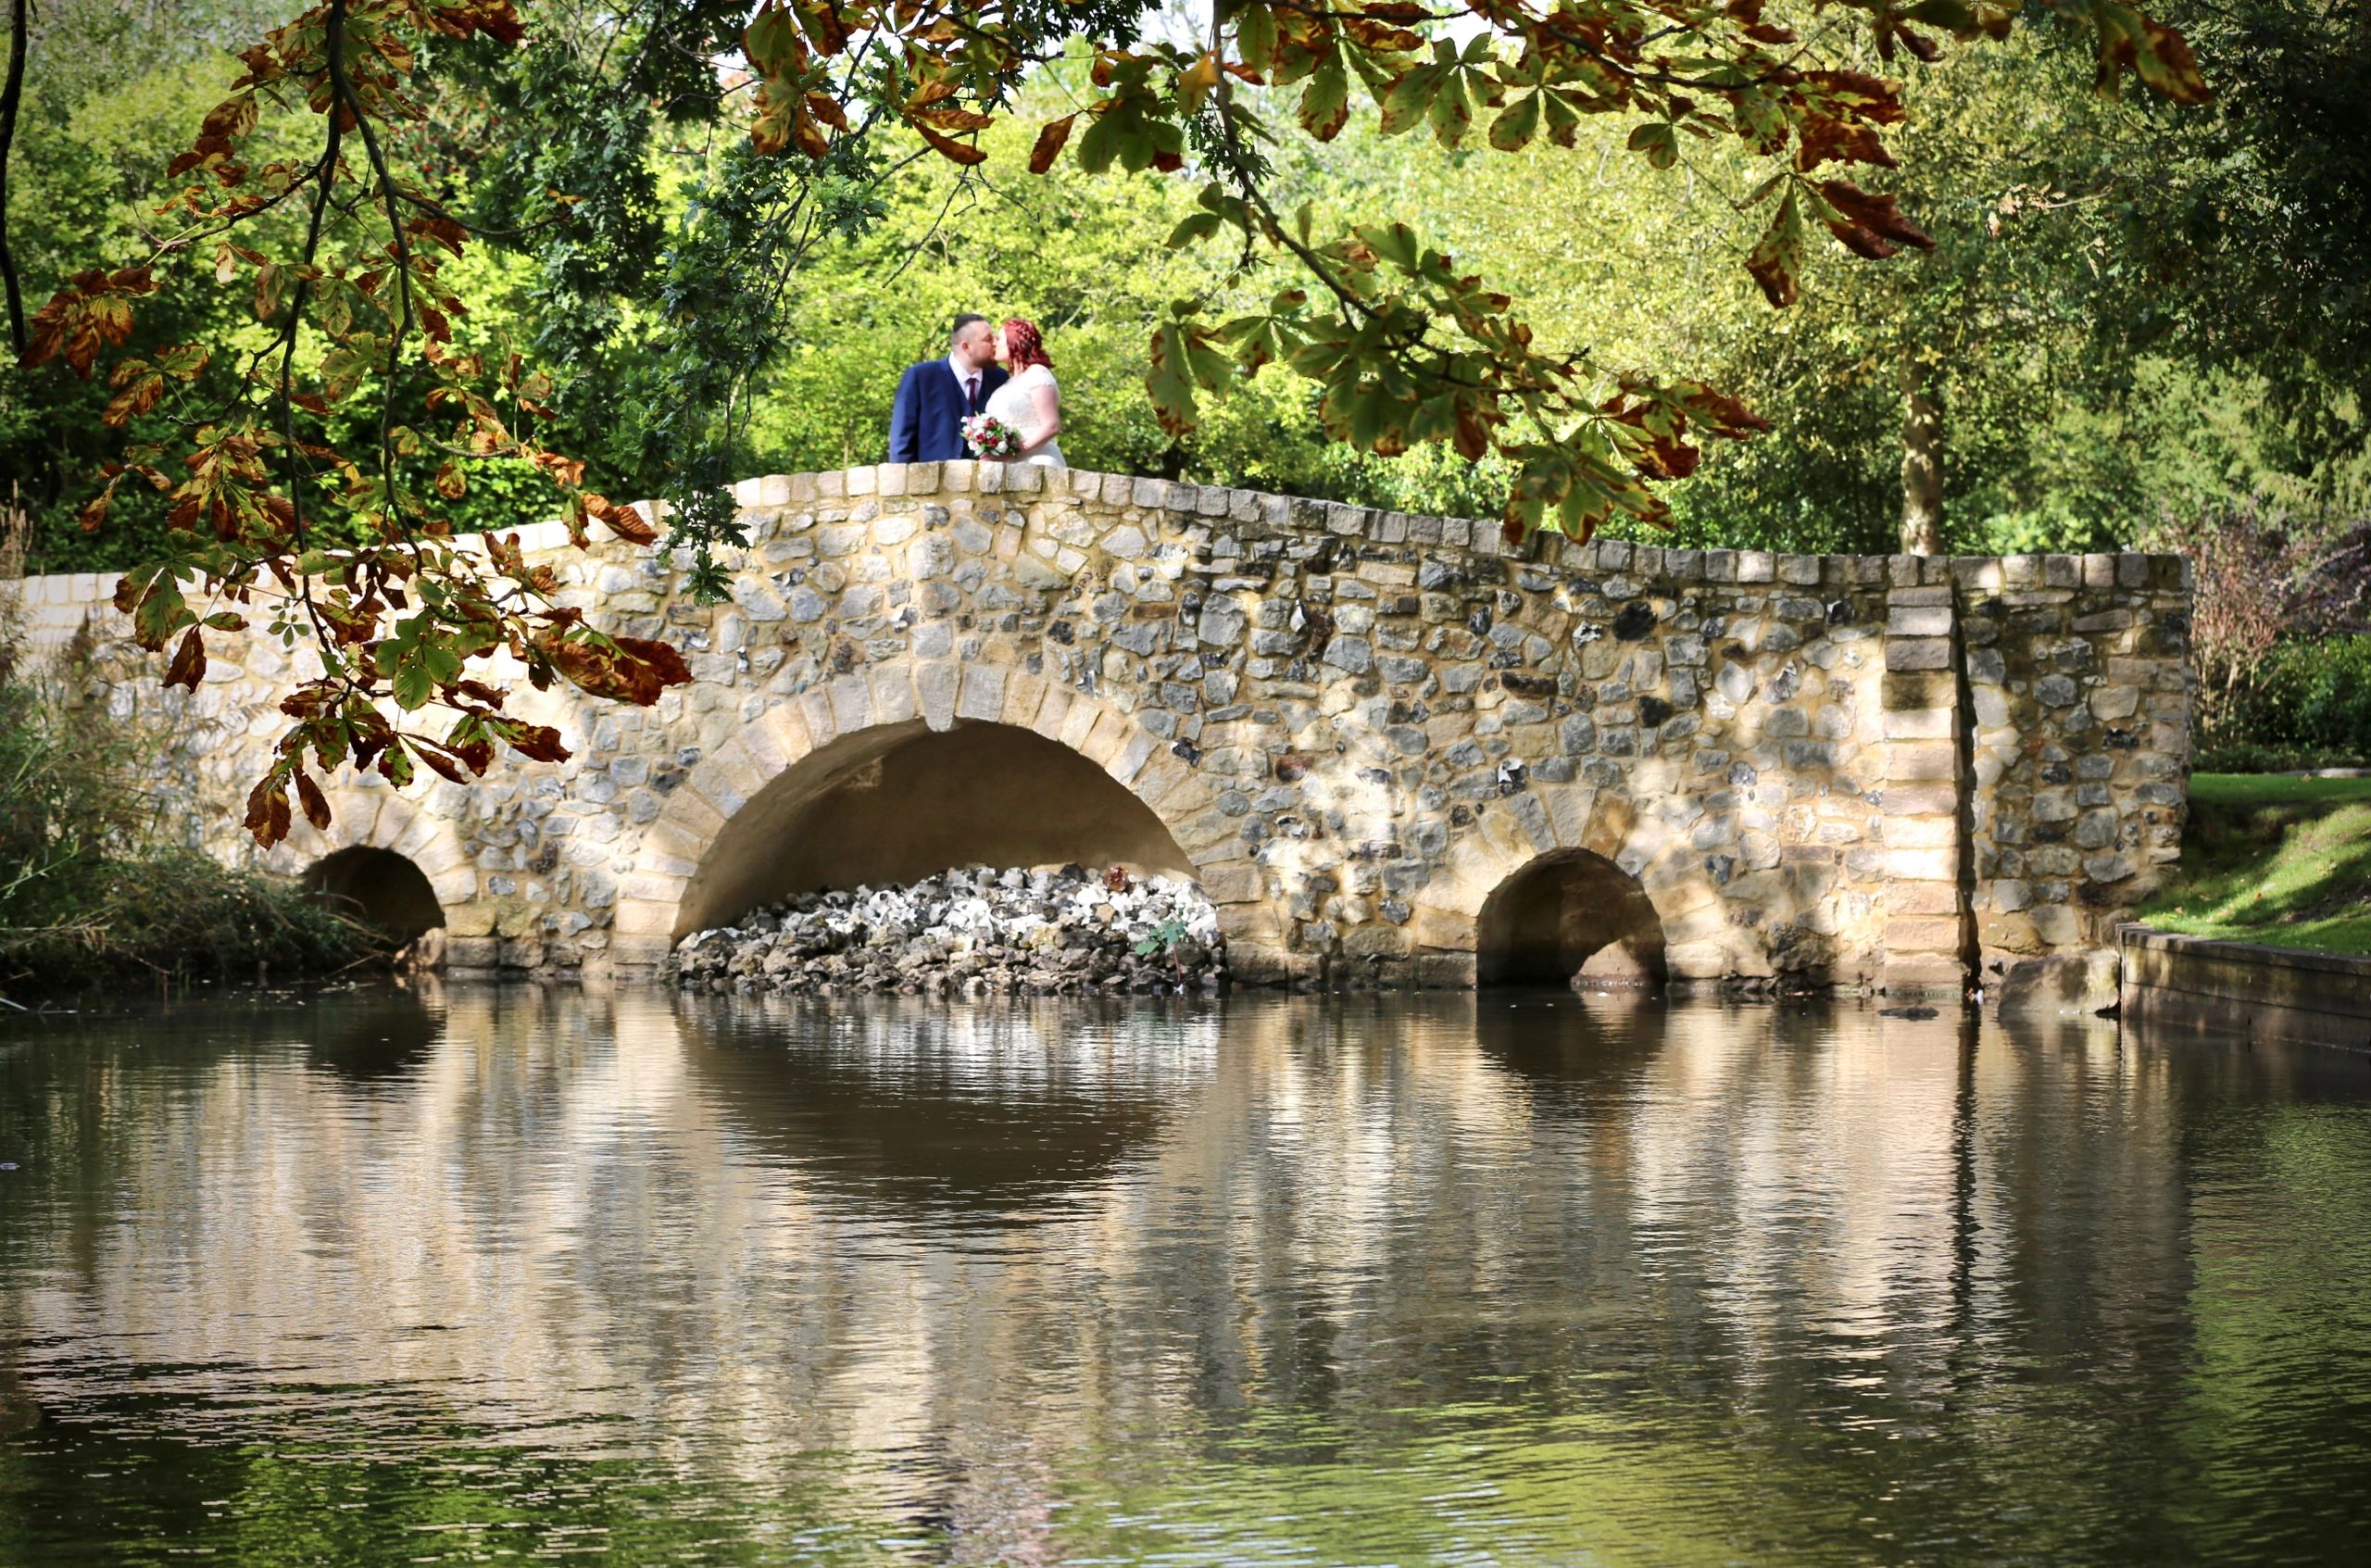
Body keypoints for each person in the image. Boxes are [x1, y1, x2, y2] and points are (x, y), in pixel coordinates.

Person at [886, 314, 1008, 463]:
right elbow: (901, 440)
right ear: (966, 346)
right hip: (930, 480)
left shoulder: (1000, 379)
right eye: (988, 339)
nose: (995, 344)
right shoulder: (921, 377)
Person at [981, 317, 1064, 467]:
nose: (994, 343)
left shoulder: (1037, 374)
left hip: (1038, 462)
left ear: (1015, 342)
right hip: (1009, 466)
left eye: (999, 339)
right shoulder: (1008, 382)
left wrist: (1015, 451)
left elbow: (1052, 425)